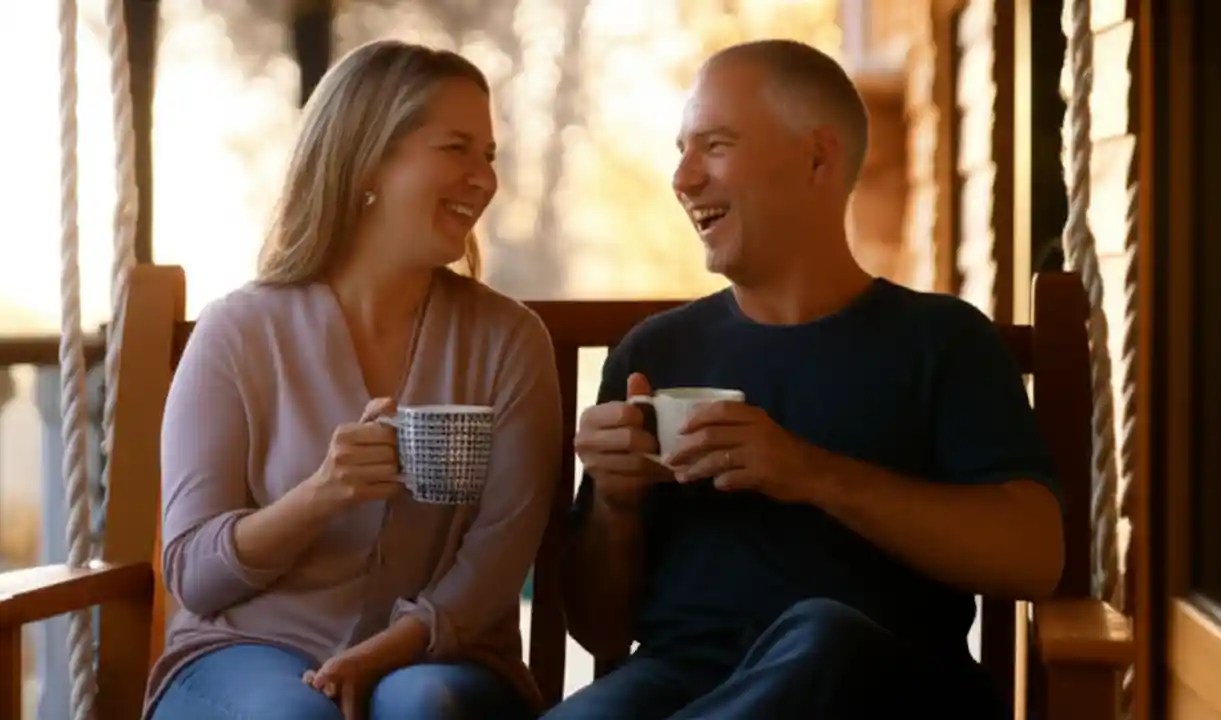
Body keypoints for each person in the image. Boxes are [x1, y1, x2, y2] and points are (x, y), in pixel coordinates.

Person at [549, 39, 1064, 719]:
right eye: (682, 149)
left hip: (874, 688)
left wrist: (807, 472)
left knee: (824, 636)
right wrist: (615, 506)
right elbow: (601, 631)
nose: (683, 178)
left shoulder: (942, 341)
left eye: (715, 146)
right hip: (683, 685)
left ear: (817, 157)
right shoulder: (656, 355)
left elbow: (1033, 556)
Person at [145, 40, 561, 720]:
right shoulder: (239, 333)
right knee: (297, 717)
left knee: (422, 704)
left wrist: (390, 648)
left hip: (441, 653)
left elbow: (496, 560)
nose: (484, 179)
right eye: (456, 149)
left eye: (489, 156)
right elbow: (194, 573)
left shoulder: (508, 341)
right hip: (246, 652)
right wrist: (320, 496)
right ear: (369, 157)